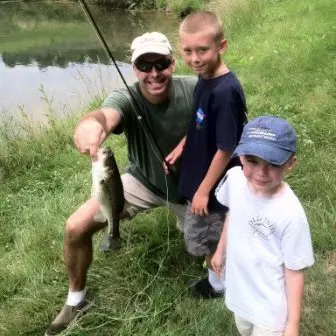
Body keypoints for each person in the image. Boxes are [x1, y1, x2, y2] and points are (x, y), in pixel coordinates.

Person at [44, 32, 197, 336]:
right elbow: (104, 115)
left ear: (173, 62)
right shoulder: (126, 97)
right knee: (75, 227)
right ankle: (76, 300)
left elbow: (226, 124)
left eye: (161, 63)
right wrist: (89, 127)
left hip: (192, 190)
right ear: (134, 69)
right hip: (140, 183)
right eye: (145, 65)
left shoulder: (196, 89)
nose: (154, 73)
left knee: (213, 254)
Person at [166, 11, 247, 298]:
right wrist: (183, 146)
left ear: (221, 46)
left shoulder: (225, 92)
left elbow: (226, 147)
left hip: (214, 187)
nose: (195, 58)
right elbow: (200, 122)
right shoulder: (204, 78)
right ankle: (217, 271)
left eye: (203, 50)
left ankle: (220, 282)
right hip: (200, 173)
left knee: (212, 235)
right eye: (187, 51)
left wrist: (203, 190)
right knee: (203, 232)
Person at [212, 116, 314, 336]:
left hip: (270, 308)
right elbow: (233, 213)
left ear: (290, 163)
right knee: (244, 329)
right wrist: (220, 250)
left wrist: (293, 325)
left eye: (273, 163)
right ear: (240, 156)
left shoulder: (290, 214)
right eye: (252, 160)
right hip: (240, 292)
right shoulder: (235, 180)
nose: (260, 172)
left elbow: (295, 271)